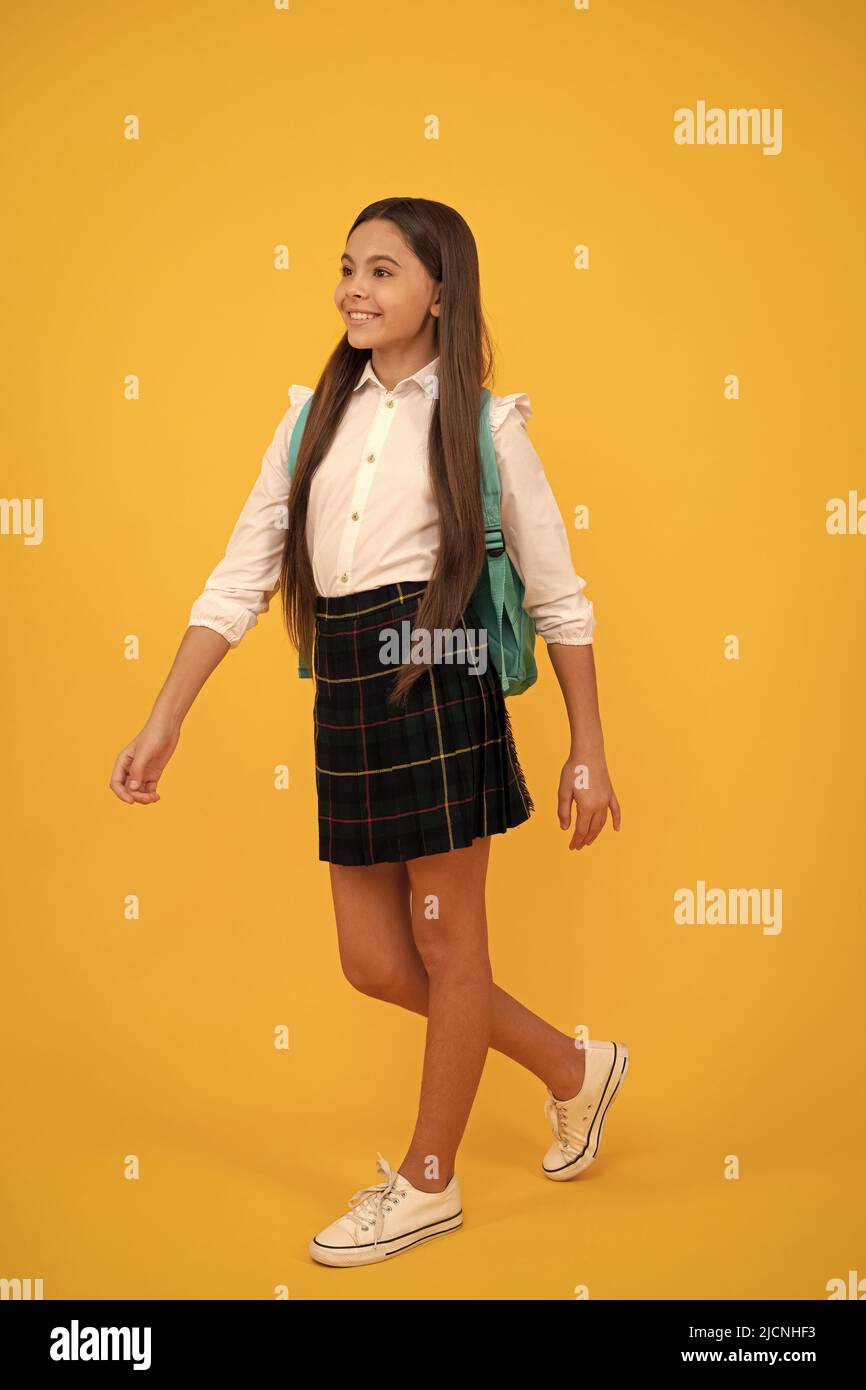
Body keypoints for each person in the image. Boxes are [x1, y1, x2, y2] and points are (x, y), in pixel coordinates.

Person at [109, 196, 629, 1269]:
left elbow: (558, 596)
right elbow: (240, 576)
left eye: (383, 270)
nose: (355, 286)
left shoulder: (486, 426)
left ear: (439, 292)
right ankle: (576, 1072)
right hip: (346, 686)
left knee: (448, 945)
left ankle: (426, 1183)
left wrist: (588, 745)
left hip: (440, 679)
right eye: (348, 267)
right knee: (374, 960)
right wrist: (164, 716)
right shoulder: (308, 420)